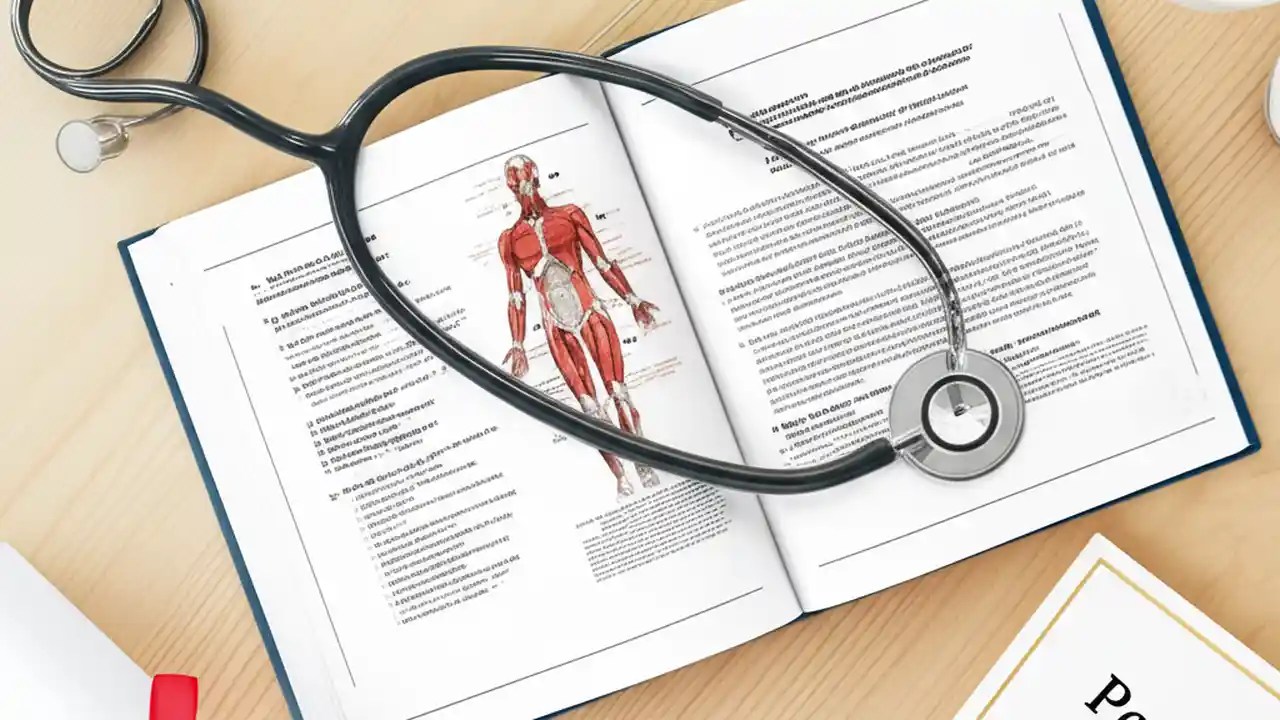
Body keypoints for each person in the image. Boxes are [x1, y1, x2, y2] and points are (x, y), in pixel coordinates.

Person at [496, 154, 662, 500]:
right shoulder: (510, 239)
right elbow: (516, 297)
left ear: (537, 179)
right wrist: (519, 343)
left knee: (618, 393)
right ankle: (621, 479)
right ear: (511, 188)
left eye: (526, 179)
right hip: (557, 328)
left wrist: (633, 300)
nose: (523, 187)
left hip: (591, 313)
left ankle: (645, 466)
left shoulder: (568, 215)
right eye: (517, 182)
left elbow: (601, 262)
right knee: (591, 411)